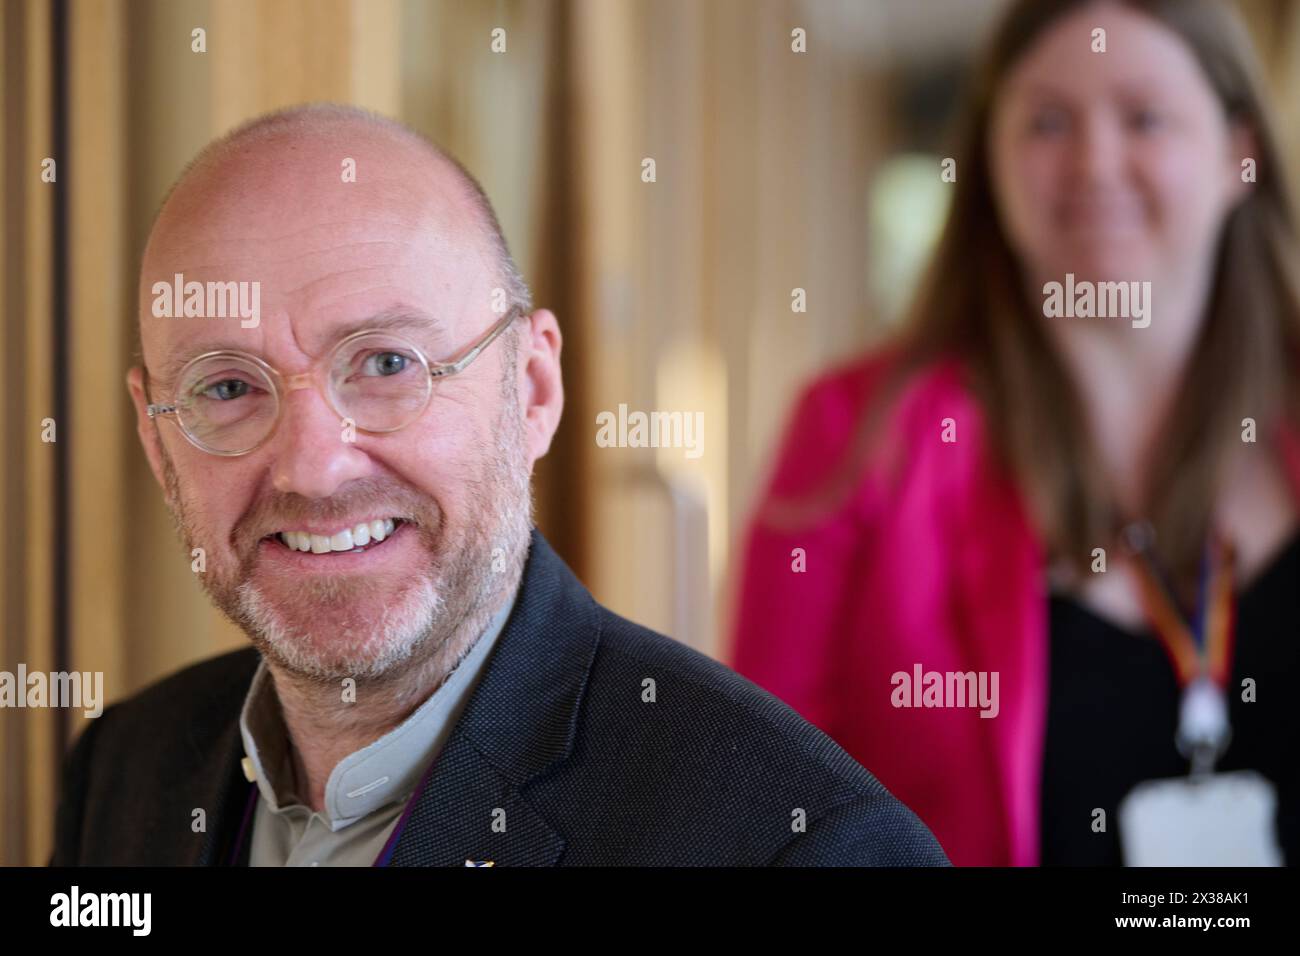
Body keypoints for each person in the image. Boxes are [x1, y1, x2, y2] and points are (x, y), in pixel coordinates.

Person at [50, 104, 946, 867]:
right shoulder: (122, 774)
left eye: (388, 363)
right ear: (156, 439)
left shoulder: (802, 845)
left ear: (533, 392)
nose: (314, 466)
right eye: (228, 388)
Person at [730, 0, 1300, 867]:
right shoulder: (853, 439)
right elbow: (764, 821)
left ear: (1240, 153)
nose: (1094, 163)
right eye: (1046, 121)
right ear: (990, 162)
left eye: (1144, 117)